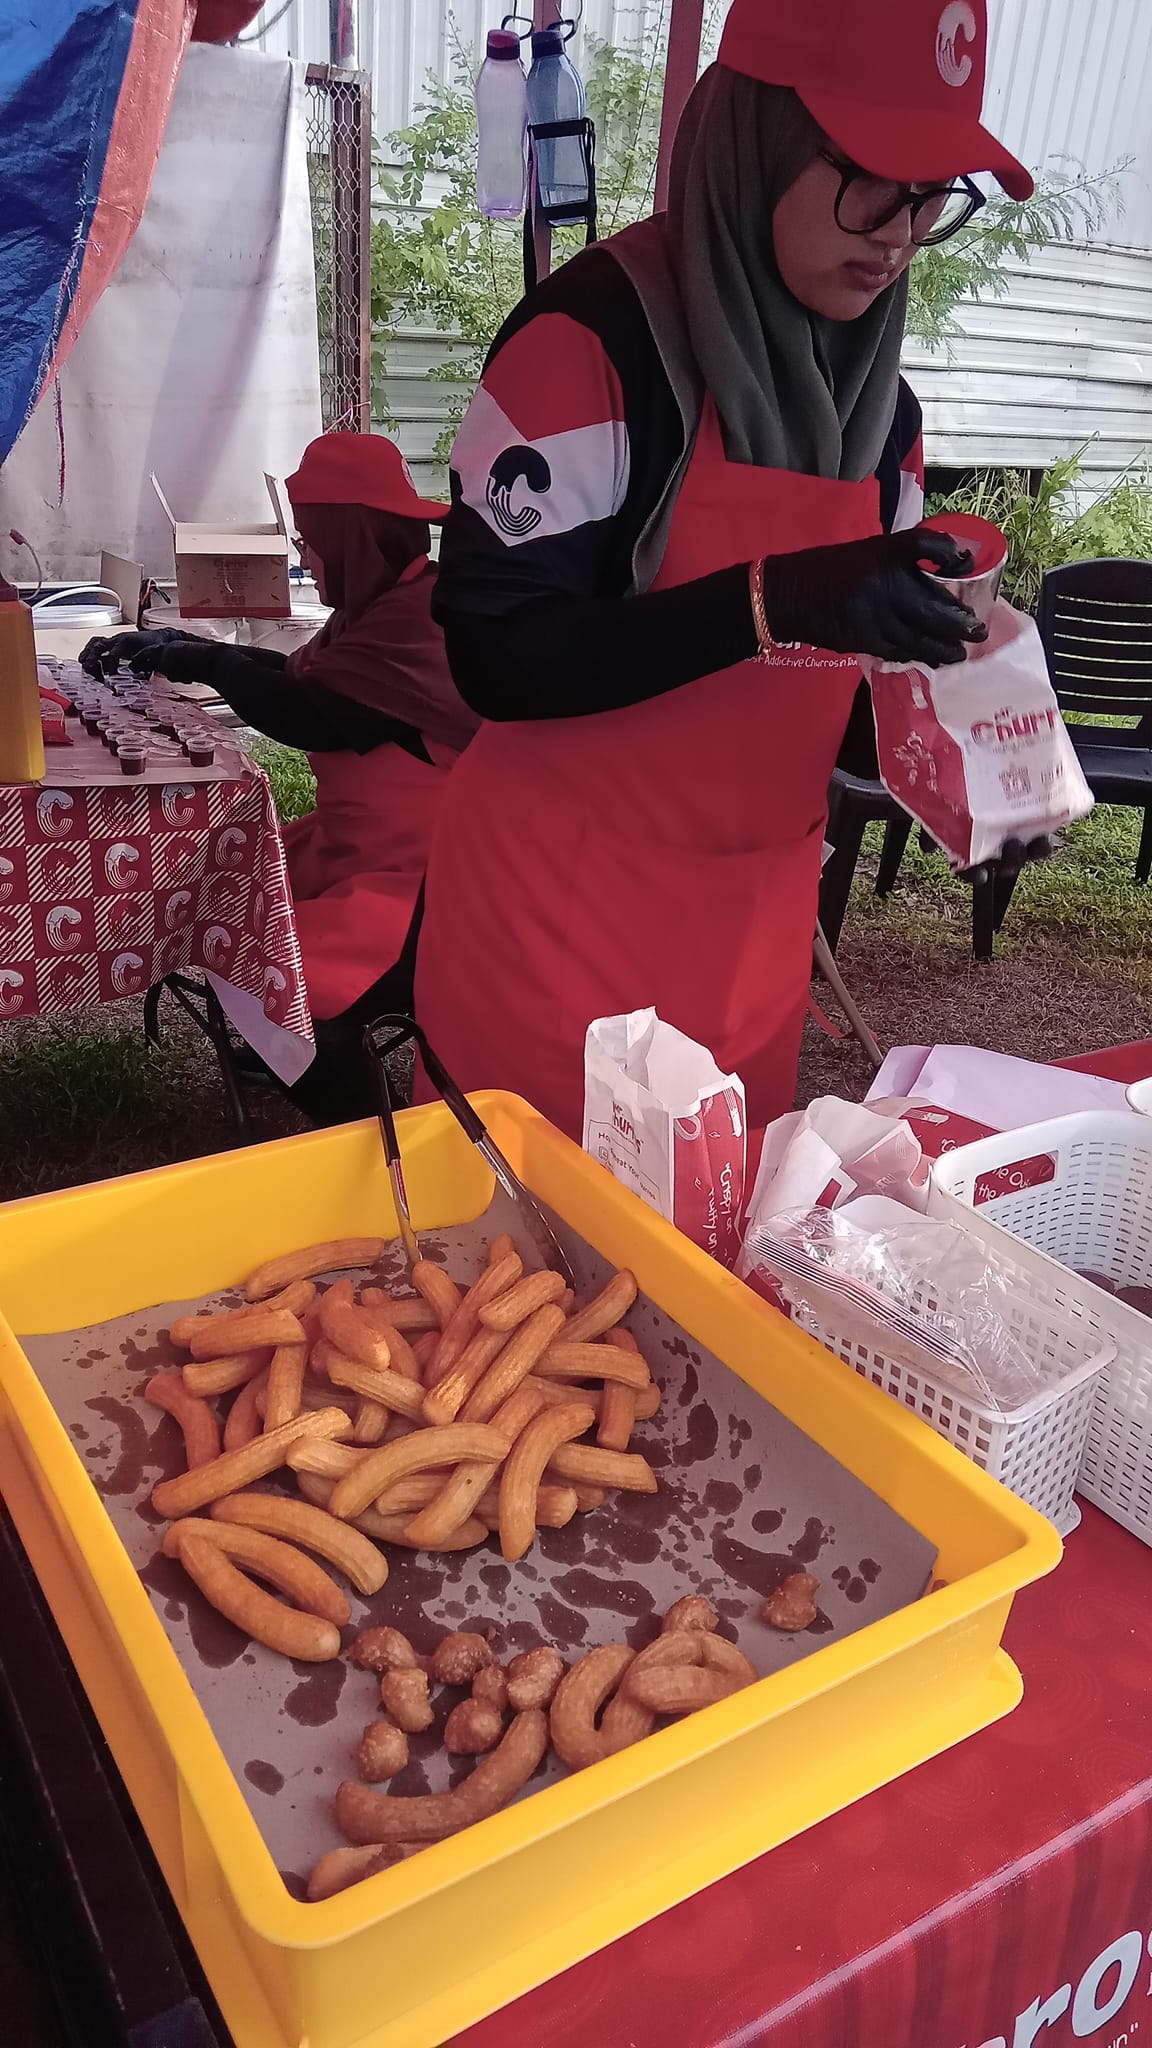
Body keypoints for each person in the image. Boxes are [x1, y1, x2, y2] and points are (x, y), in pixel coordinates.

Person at [413, 0, 1035, 1142]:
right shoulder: (592, 344)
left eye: (932, 192)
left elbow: (831, 712)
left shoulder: (881, 415)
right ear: (761, 142)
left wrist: (965, 731)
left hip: (748, 948)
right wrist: (776, 598)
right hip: (558, 941)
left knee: (705, 1282)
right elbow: (496, 654)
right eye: (868, 175)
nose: (899, 231)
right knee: (522, 1294)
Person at [80, 432, 477, 1120]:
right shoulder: (379, 611)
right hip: (357, 852)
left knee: (280, 967)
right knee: (223, 898)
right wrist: (180, 648)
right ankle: (289, 1051)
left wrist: (199, 661)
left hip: (431, 885)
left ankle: (351, 1132)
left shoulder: (424, 622)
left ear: (354, 538)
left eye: (311, 542)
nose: (303, 557)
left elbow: (309, 713)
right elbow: (299, 674)